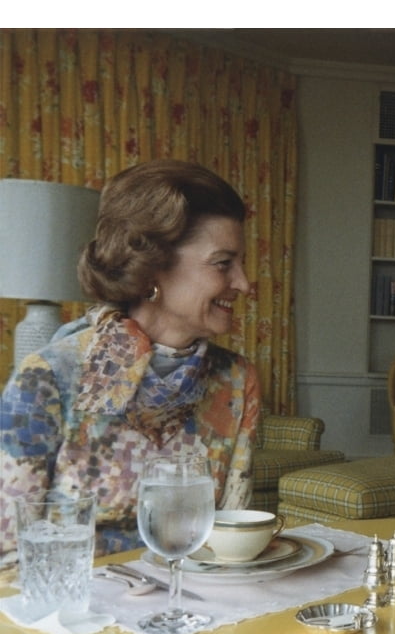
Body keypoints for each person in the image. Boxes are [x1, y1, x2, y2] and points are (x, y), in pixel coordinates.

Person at [1, 160, 261, 568]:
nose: (243, 283)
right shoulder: (48, 378)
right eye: (223, 263)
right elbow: (8, 557)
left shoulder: (236, 380)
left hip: (193, 598)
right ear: (152, 266)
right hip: (72, 603)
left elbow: (231, 542)